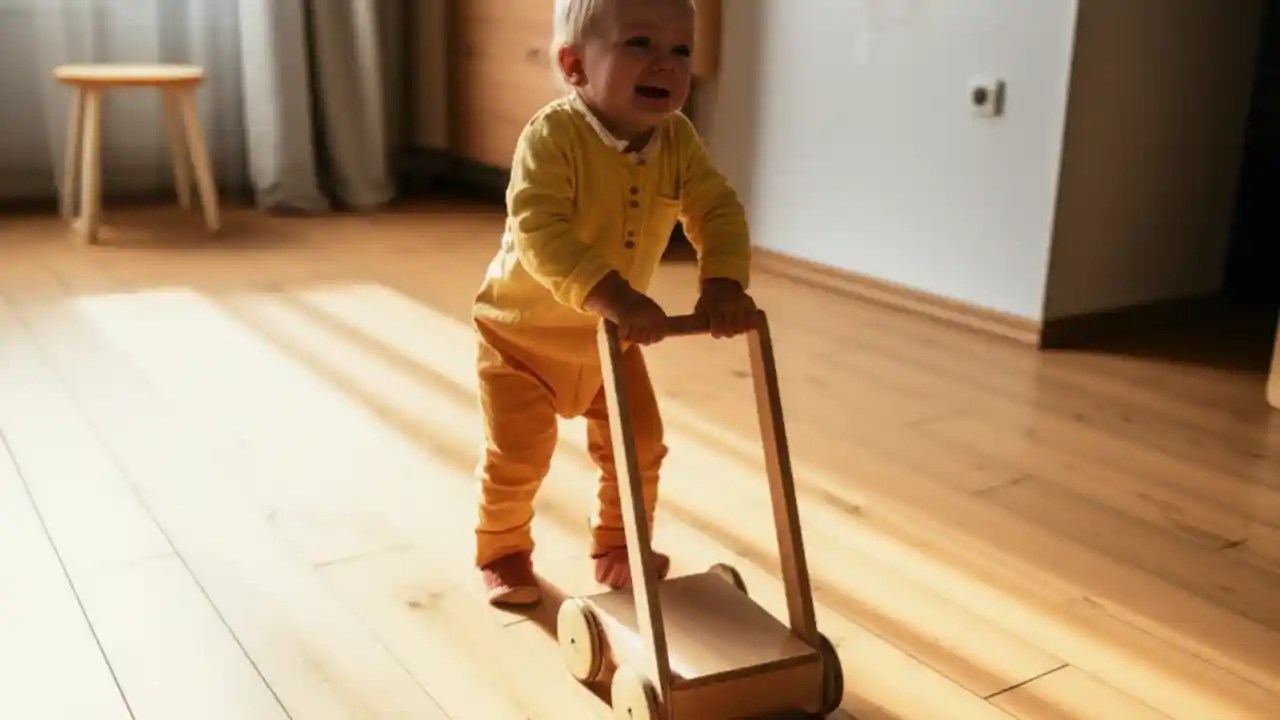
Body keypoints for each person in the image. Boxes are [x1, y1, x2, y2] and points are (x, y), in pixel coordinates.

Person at [470, 0, 757, 606]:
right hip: (523, 339)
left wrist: (723, 280)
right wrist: (615, 295)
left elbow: (716, 207)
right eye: (639, 44)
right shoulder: (552, 137)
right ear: (574, 65)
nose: (665, 64)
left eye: (681, 50)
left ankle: (620, 544)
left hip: (609, 342)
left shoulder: (676, 139)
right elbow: (540, 231)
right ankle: (503, 549)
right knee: (519, 456)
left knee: (639, 447)